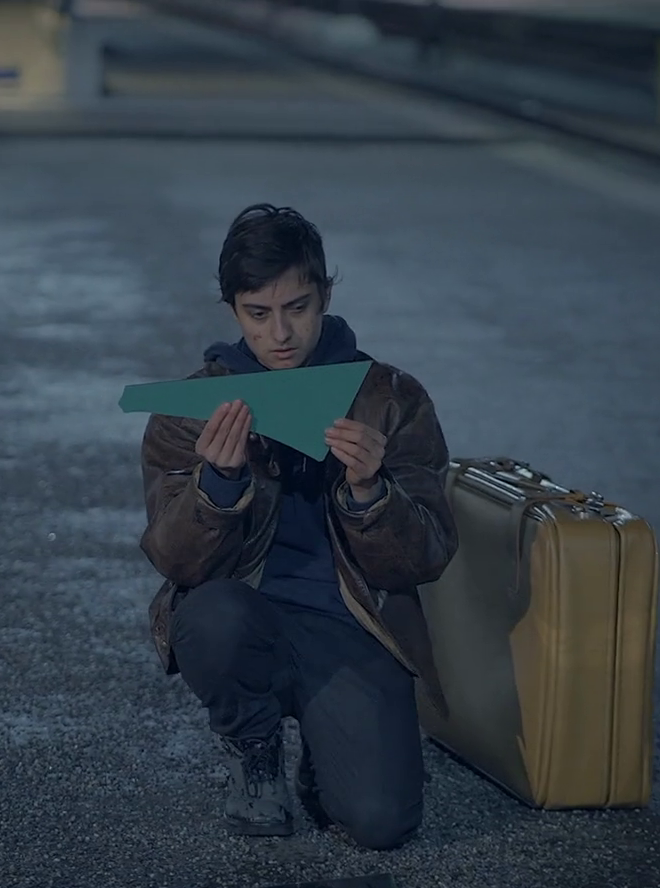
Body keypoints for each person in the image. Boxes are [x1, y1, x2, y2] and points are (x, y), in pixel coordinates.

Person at [138, 204, 458, 851]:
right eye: (259, 314)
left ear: (326, 296)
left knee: (381, 822)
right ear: (233, 311)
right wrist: (218, 486)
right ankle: (254, 750)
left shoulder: (392, 397)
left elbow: (426, 556)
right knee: (210, 616)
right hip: (246, 616)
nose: (280, 333)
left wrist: (372, 493)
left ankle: (325, 751)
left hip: (352, 627)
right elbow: (174, 561)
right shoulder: (191, 408)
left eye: (298, 308)